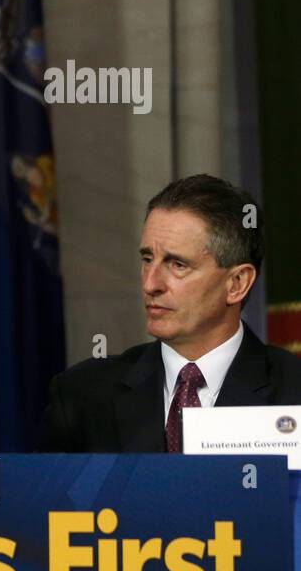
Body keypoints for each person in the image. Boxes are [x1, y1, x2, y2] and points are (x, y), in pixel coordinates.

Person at [41, 174, 301, 452]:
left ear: (236, 284)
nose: (150, 284)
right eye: (147, 259)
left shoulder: (293, 391)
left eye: (177, 264)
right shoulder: (81, 395)